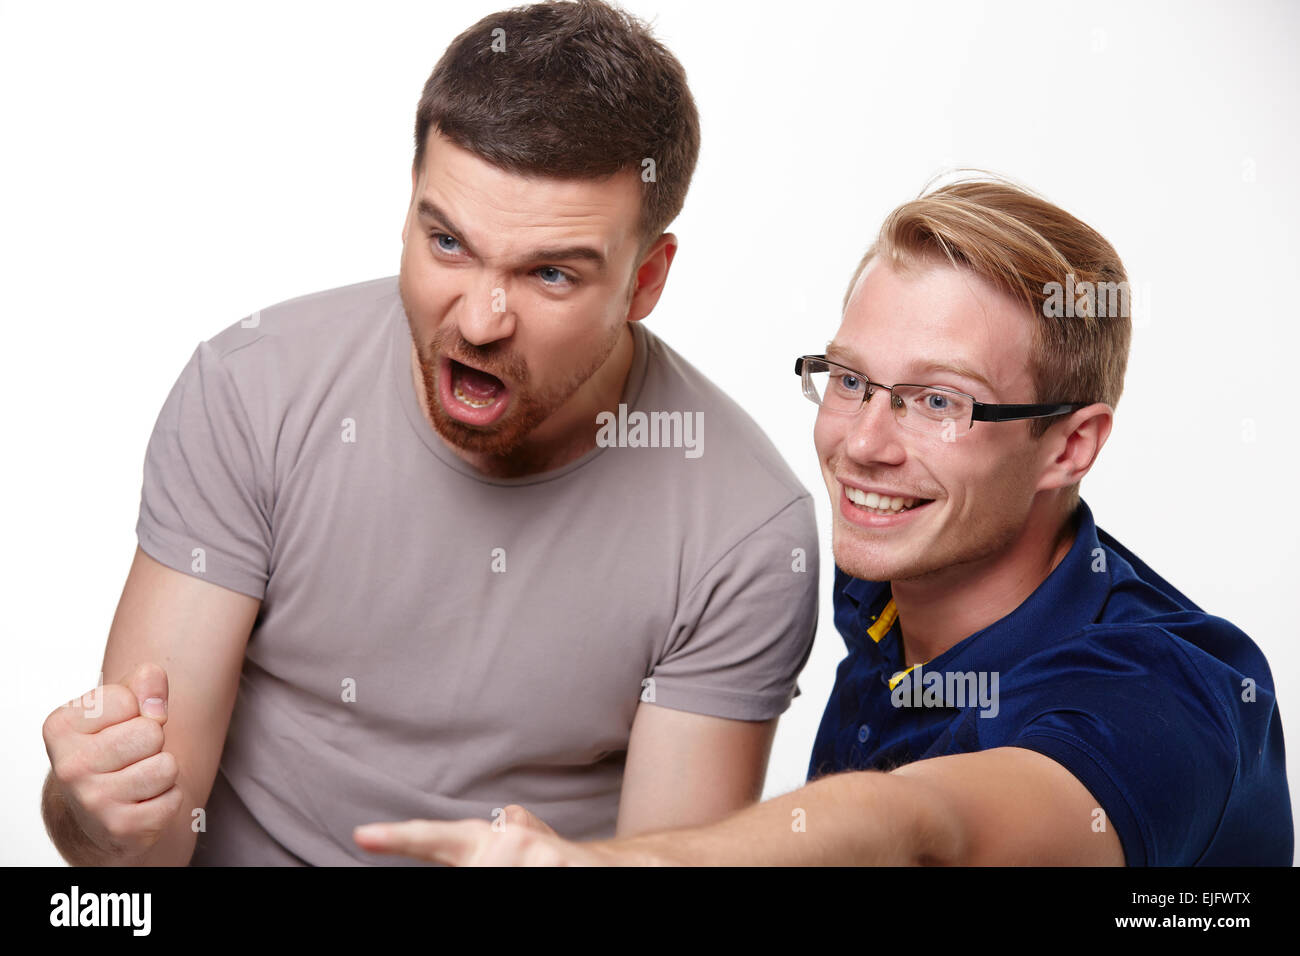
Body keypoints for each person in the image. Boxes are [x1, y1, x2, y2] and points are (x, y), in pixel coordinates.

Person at [39, 0, 818, 866]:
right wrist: (96, 812)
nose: (481, 322)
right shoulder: (251, 392)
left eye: (550, 273)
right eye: (448, 242)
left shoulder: (743, 532)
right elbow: (135, 852)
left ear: (646, 281)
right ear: (407, 210)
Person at [353, 176, 1293, 865]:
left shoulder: (1162, 695)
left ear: (1070, 447)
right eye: (850, 381)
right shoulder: (884, 589)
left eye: (938, 403)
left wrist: (617, 865)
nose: (863, 444)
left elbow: (930, 827)